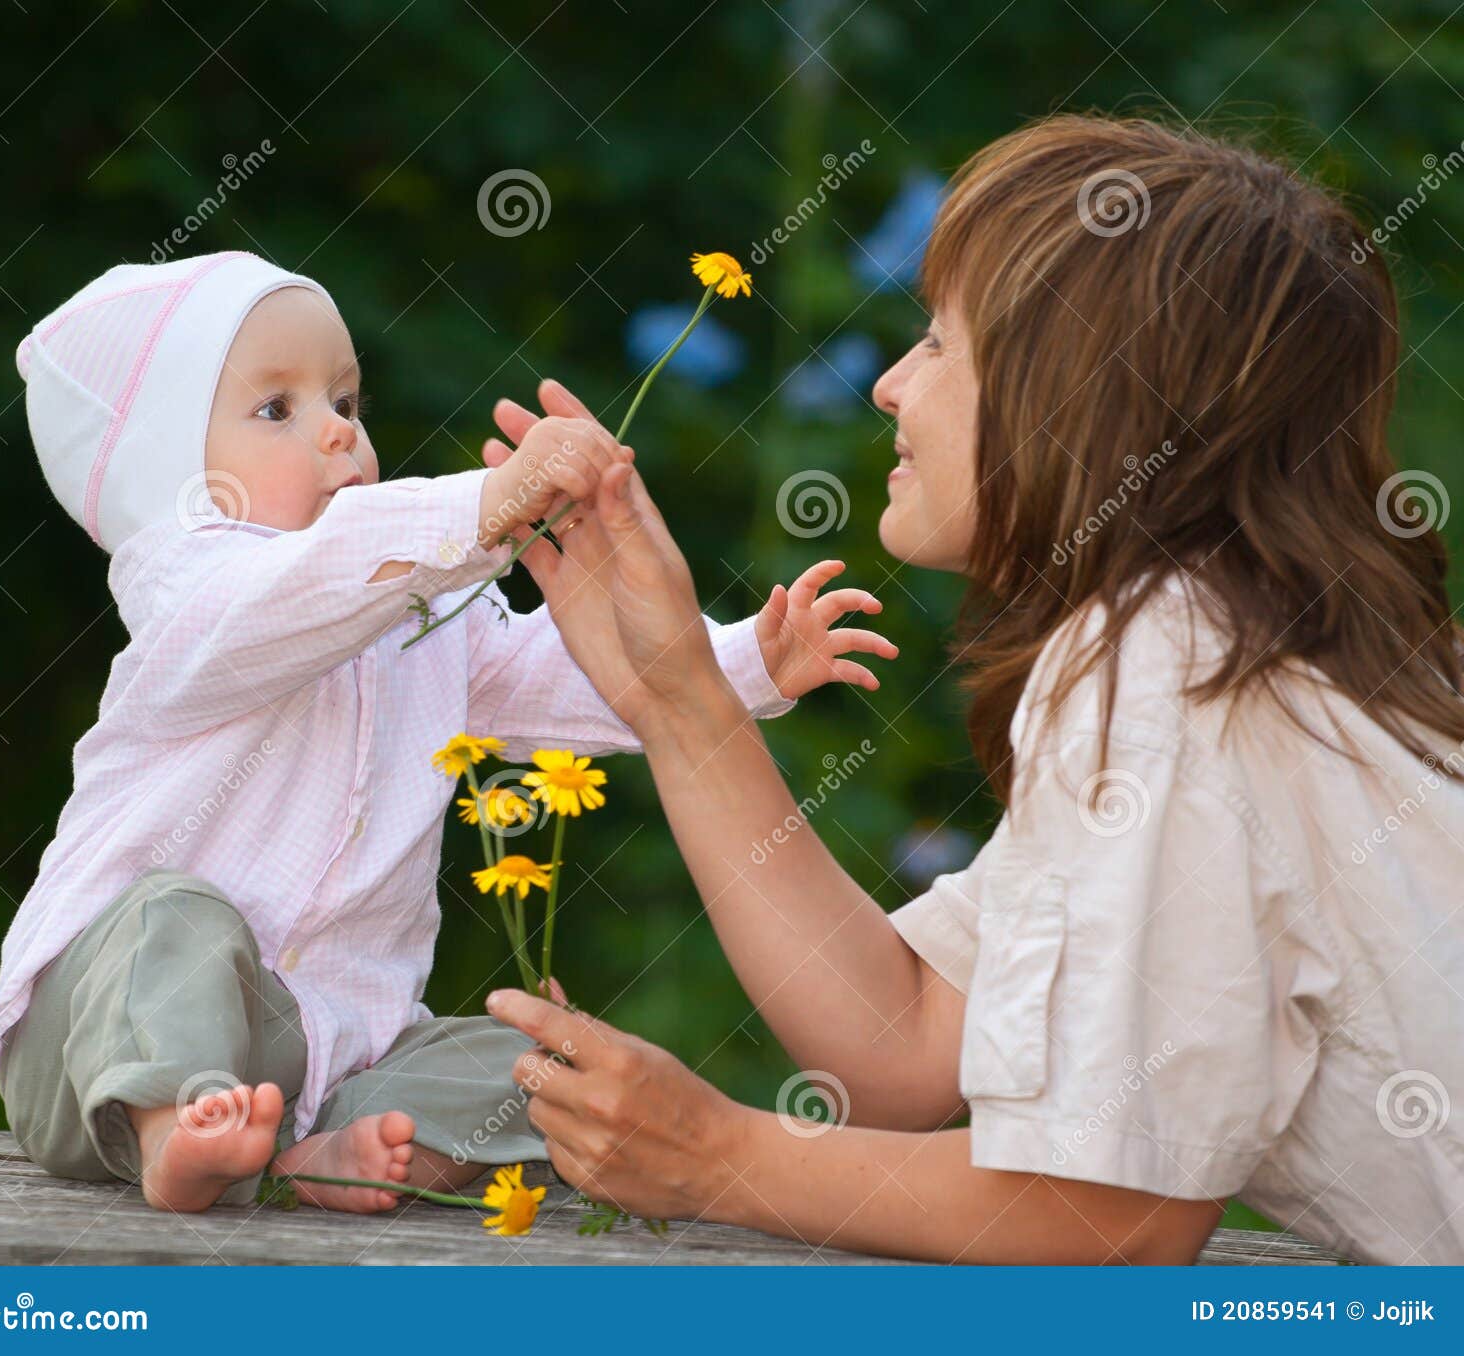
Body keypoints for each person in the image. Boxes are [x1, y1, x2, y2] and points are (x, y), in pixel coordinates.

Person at [487, 115, 1464, 1265]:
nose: (892, 386)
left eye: (944, 343)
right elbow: (898, 1041)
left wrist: (716, 1156)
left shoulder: (1169, 668)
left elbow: (1112, 1221)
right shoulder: (1247, 647)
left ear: (1087, 392)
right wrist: (678, 696)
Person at [0, 251, 894, 1213]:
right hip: (95, 1051)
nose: (338, 430)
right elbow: (315, 581)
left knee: (541, 1066)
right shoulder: (192, 595)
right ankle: (179, 1130)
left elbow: (566, 672)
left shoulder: (417, 616)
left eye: (345, 399)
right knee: (176, 916)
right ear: (171, 478)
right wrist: (481, 506)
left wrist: (746, 663)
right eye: (277, 410)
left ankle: (326, 1157)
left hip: (327, 1067)